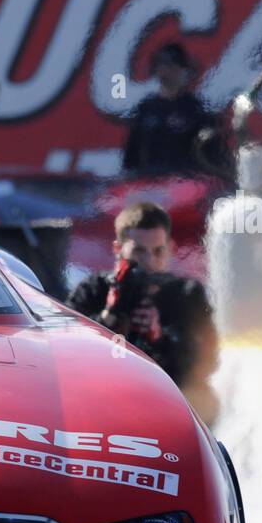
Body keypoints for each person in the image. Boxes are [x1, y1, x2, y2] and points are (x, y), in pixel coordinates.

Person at [67, 202, 219, 422]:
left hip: (171, 405)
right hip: (106, 400)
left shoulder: (187, 295)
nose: (149, 261)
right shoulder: (95, 289)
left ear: (169, 249)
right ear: (118, 249)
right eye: (139, 251)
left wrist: (160, 337)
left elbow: (206, 363)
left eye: (158, 251)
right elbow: (68, 350)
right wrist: (108, 317)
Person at [122, 42, 232, 181]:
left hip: (187, 183)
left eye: (171, 66)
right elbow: (131, 156)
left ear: (182, 70)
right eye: (161, 65)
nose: (166, 71)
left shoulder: (196, 109)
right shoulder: (146, 109)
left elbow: (215, 153)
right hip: (152, 183)